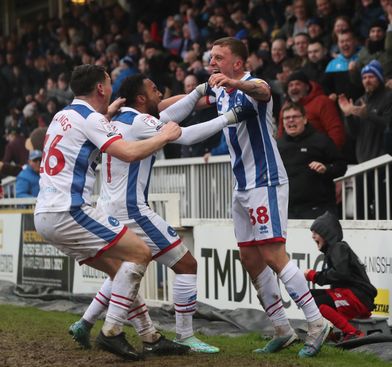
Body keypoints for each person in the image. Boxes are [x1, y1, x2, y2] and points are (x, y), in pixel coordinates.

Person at [67, 73, 254, 354]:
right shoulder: (141, 121)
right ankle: (184, 335)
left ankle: (85, 321)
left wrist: (197, 93)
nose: (160, 94)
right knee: (187, 265)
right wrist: (230, 117)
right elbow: (184, 133)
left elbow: (169, 112)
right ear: (141, 98)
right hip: (131, 210)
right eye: (155, 90)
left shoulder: (119, 119)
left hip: (108, 207)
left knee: (120, 271)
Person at [33, 64, 185, 361]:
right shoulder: (92, 120)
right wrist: (165, 135)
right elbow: (128, 153)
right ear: (101, 88)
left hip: (45, 214)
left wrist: (106, 114)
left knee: (120, 272)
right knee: (140, 253)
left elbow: (86, 130)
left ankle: (150, 337)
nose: (112, 88)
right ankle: (111, 331)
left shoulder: (62, 115)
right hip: (70, 210)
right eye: (109, 83)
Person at [206, 37, 330, 358]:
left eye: (219, 57)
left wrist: (235, 83)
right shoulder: (219, 88)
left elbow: (265, 90)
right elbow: (192, 100)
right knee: (250, 258)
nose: (212, 63)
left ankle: (317, 324)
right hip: (242, 185)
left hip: (266, 181)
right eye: (211, 57)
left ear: (237, 62)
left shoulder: (250, 84)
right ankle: (282, 329)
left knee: (274, 254)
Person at [338, 60, 392, 219]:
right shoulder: (360, 101)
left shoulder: (390, 97)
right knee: (361, 213)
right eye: (364, 77)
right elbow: (353, 134)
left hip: (383, 164)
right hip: (363, 166)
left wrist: (368, 115)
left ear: (380, 78)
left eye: (371, 76)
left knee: (383, 211)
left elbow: (390, 125)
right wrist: (349, 116)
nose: (367, 80)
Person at [304, 211, 377, 341]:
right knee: (307, 296)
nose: (312, 236)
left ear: (326, 233)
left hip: (359, 298)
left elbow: (339, 273)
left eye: (315, 232)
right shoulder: (334, 249)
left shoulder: (338, 247)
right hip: (352, 295)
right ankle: (328, 332)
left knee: (315, 302)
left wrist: (314, 276)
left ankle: (352, 332)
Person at [277, 102, 346, 219]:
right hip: (287, 210)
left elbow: (341, 166)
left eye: (295, 117)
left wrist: (326, 169)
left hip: (319, 210)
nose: (290, 120)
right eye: (287, 118)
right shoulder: (278, 145)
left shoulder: (321, 140)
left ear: (304, 119)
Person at [277, 71, 346, 150]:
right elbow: (281, 134)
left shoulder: (322, 102)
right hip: (293, 155)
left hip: (320, 154)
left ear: (307, 87)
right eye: (290, 85)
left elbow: (335, 130)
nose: (294, 88)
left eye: (298, 84)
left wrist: (330, 153)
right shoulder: (285, 108)